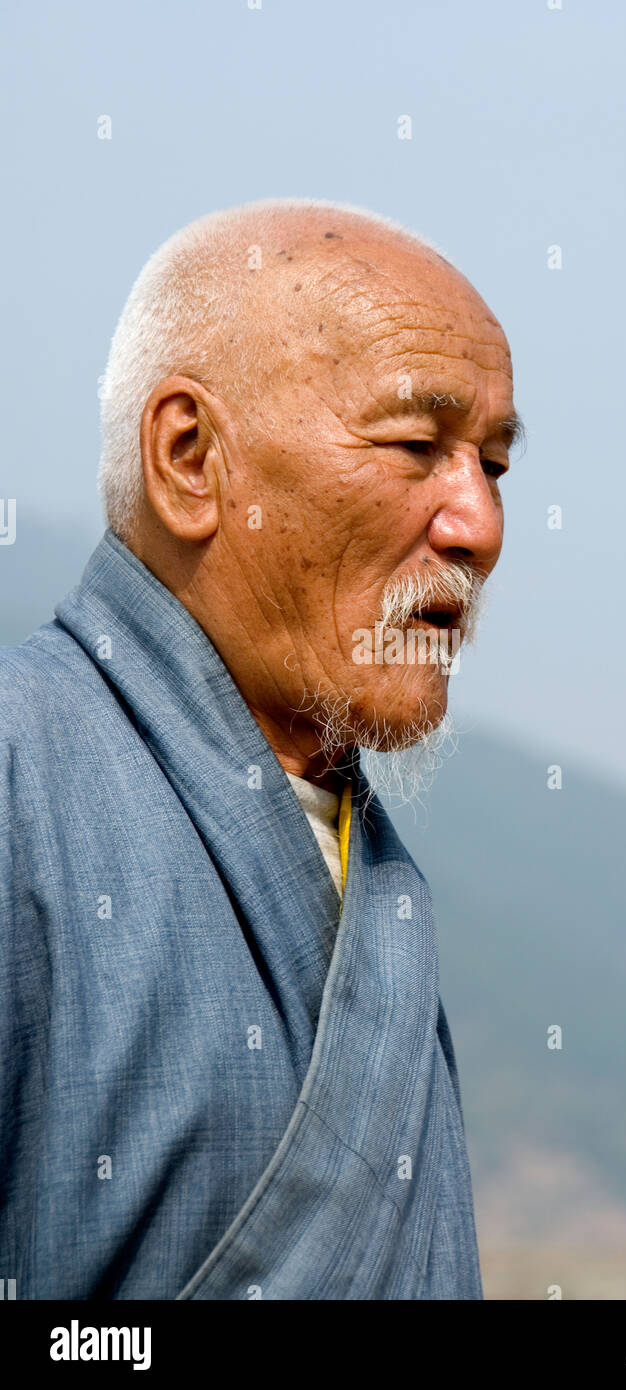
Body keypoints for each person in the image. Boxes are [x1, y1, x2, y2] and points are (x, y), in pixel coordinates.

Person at [0, 198, 522, 1299]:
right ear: (191, 459)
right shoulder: (18, 784)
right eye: (417, 446)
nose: (475, 525)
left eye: (492, 465)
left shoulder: (355, 848)